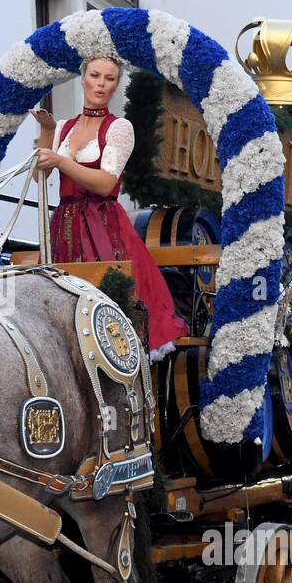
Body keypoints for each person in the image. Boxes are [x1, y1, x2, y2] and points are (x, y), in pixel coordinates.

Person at [31, 56, 189, 359]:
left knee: (109, 304)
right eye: (95, 75)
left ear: (116, 84)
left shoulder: (119, 128)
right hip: (65, 226)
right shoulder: (65, 126)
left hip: (102, 228)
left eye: (109, 78)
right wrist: (49, 131)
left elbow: (105, 183)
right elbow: (40, 176)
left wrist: (63, 160)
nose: (101, 84)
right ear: (83, 78)